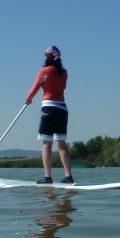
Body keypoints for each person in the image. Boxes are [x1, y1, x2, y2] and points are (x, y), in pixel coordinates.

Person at [25, 45, 73, 184]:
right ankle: (68, 176)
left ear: (48, 57)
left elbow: (35, 88)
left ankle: (47, 177)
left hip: (49, 108)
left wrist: (28, 99)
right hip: (62, 108)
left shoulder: (44, 71)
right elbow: (62, 86)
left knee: (47, 143)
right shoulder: (64, 72)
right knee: (61, 144)